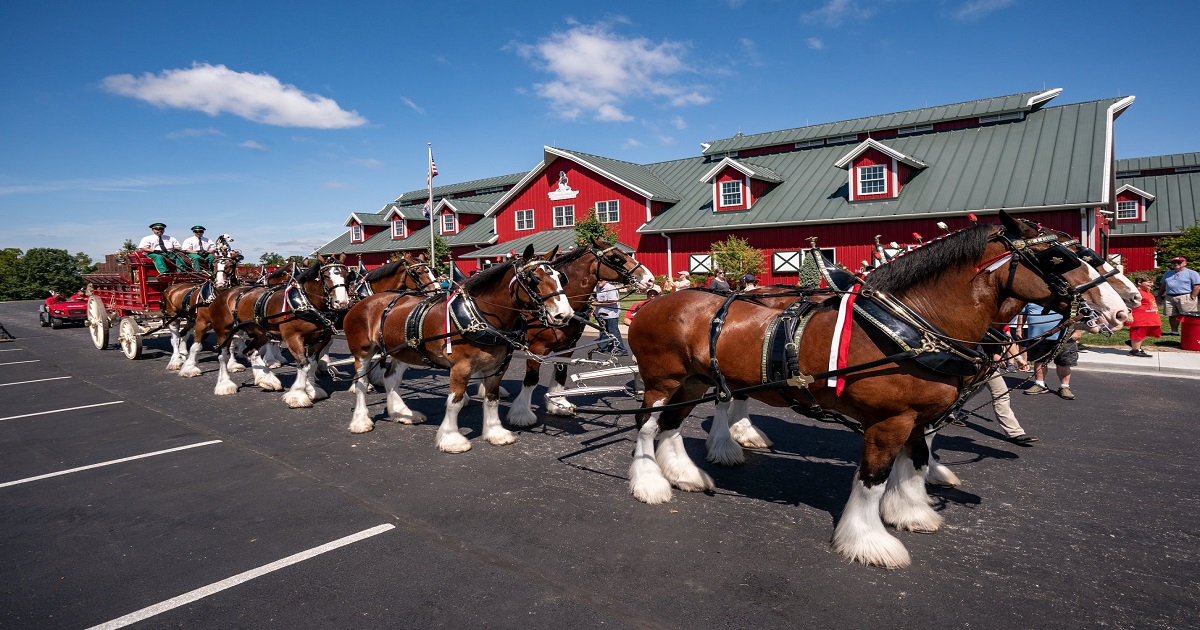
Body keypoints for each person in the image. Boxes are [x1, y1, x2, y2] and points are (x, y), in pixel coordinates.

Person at [1019, 302, 1079, 400]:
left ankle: (1064, 387)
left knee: (1063, 362)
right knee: (1039, 361)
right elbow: (1023, 313)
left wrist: (1078, 331)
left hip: (1063, 336)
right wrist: (1019, 328)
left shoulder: (1064, 296)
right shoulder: (1032, 296)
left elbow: (1077, 313)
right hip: (1037, 336)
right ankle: (1040, 384)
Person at [1157, 257, 1200, 335]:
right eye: (1174, 262)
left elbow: (1197, 286)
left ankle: (1189, 332)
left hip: (1185, 296)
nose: (1176, 264)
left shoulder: (1192, 273)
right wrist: (1159, 296)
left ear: (1185, 263)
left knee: (1188, 315)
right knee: (1172, 315)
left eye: (1179, 262)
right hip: (1170, 297)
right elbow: (1163, 285)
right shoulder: (1167, 273)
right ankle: (1174, 331)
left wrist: (1192, 297)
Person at [1127, 273, 1162, 357]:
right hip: (1140, 318)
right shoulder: (1136, 293)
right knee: (1138, 333)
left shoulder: (1147, 292)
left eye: (1152, 282)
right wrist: (1130, 314)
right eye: (1149, 282)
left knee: (1155, 332)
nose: (1152, 284)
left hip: (1150, 318)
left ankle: (1134, 342)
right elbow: (1129, 304)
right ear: (1139, 282)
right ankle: (1135, 350)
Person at [592, 278, 628, 355]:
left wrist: (598, 304)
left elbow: (613, 301)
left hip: (611, 314)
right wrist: (594, 309)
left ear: (606, 281)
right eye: (598, 280)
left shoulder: (610, 288)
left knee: (613, 332)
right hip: (602, 314)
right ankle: (602, 348)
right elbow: (596, 300)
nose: (598, 282)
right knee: (603, 331)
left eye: (601, 280)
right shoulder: (598, 287)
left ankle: (622, 350)